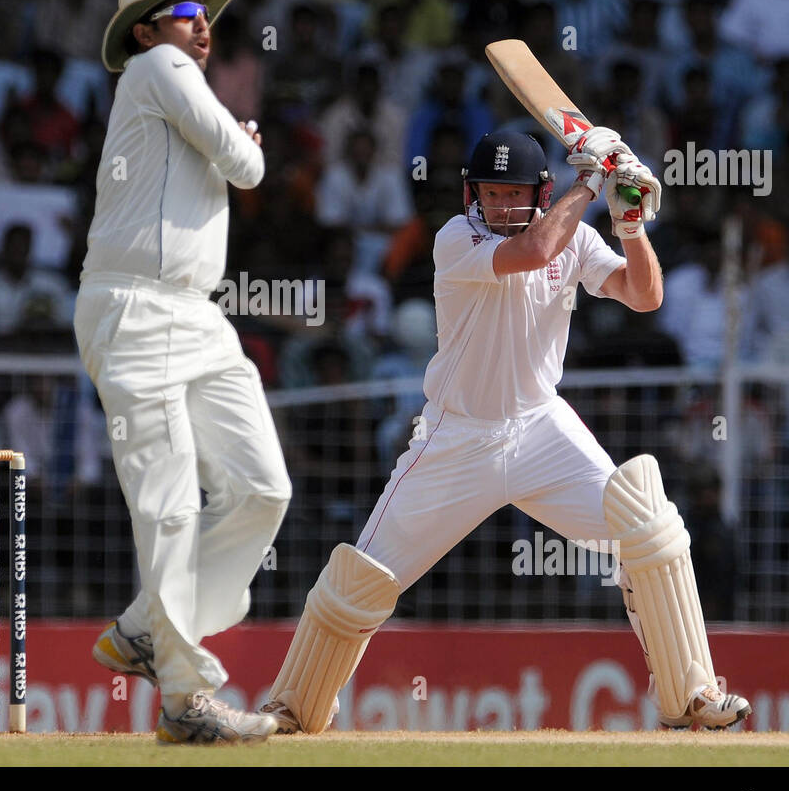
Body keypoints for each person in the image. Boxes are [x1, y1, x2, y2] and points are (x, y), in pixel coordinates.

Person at [260, 130, 751, 735]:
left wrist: (630, 224)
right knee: (363, 576)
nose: (498, 206)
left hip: (542, 428)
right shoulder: (455, 239)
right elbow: (536, 252)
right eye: (489, 193)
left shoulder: (574, 236)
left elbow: (644, 295)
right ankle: (295, 704)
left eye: (511, 194)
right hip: (455, 437)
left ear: (539, 193)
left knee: (647, 524)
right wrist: (594, 180)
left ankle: (692, 695)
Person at [75, 0, 292, 744]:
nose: (204, 26)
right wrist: (243, 140)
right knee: (168, 508)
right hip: (133, 307)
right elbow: (250, 165)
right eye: (187, 13)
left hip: (198, 315)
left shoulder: (175, 97)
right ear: (145, 29)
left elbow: (234, 158)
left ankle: (145, 628)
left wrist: (237, 143)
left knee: (263, 488)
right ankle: (183, 697)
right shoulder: (155, 67)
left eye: (209, 17)